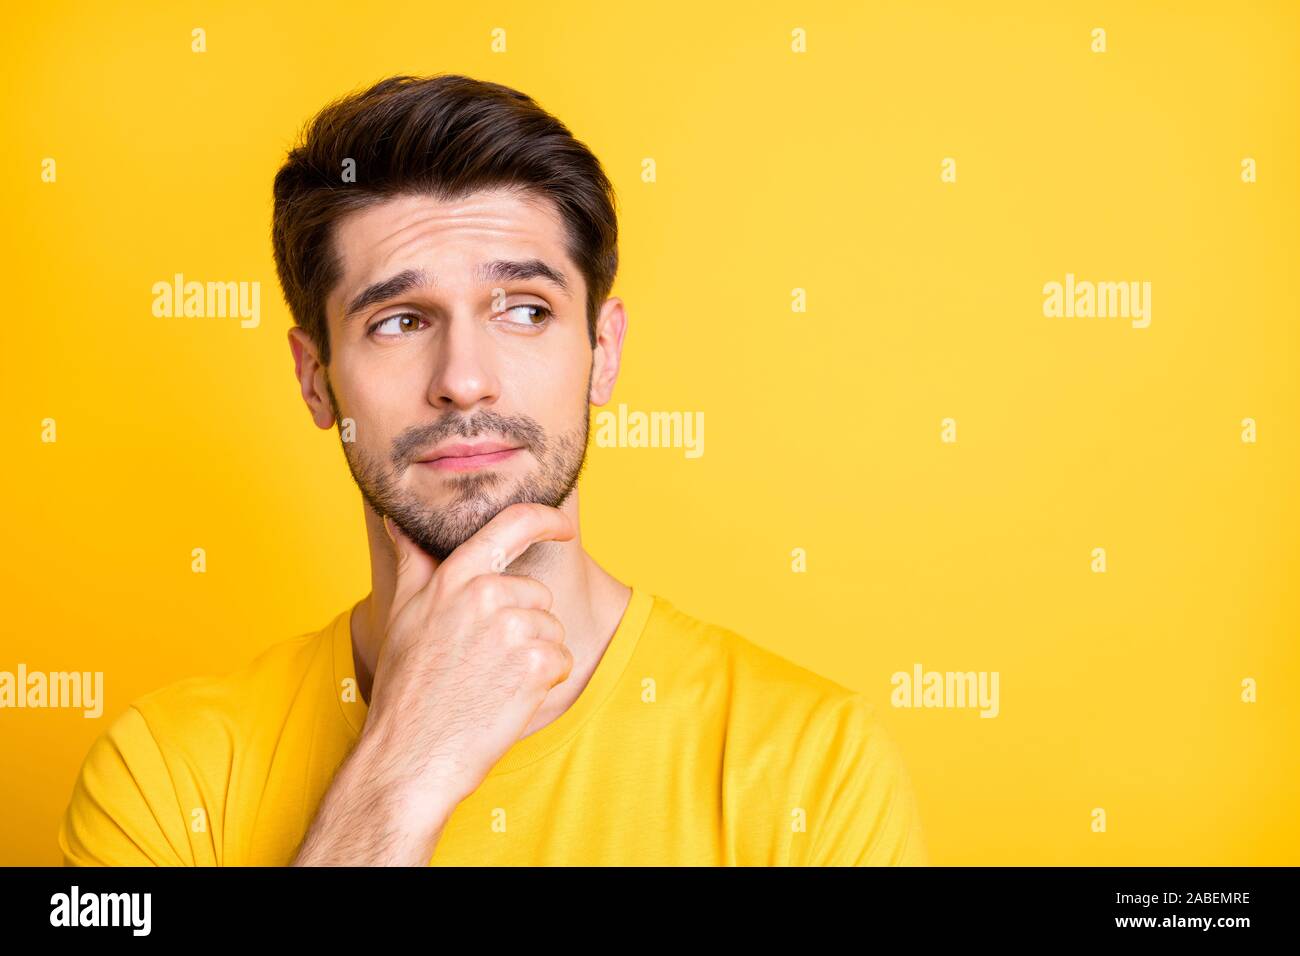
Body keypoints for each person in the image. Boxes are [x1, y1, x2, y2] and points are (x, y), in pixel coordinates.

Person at [57, 74, 929, 866]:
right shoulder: (161, 775)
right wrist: (405, 766)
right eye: (399, 320)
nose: (463, 379)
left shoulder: (815, 764)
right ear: (315, 376)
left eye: (523, 309)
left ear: (604, 350)